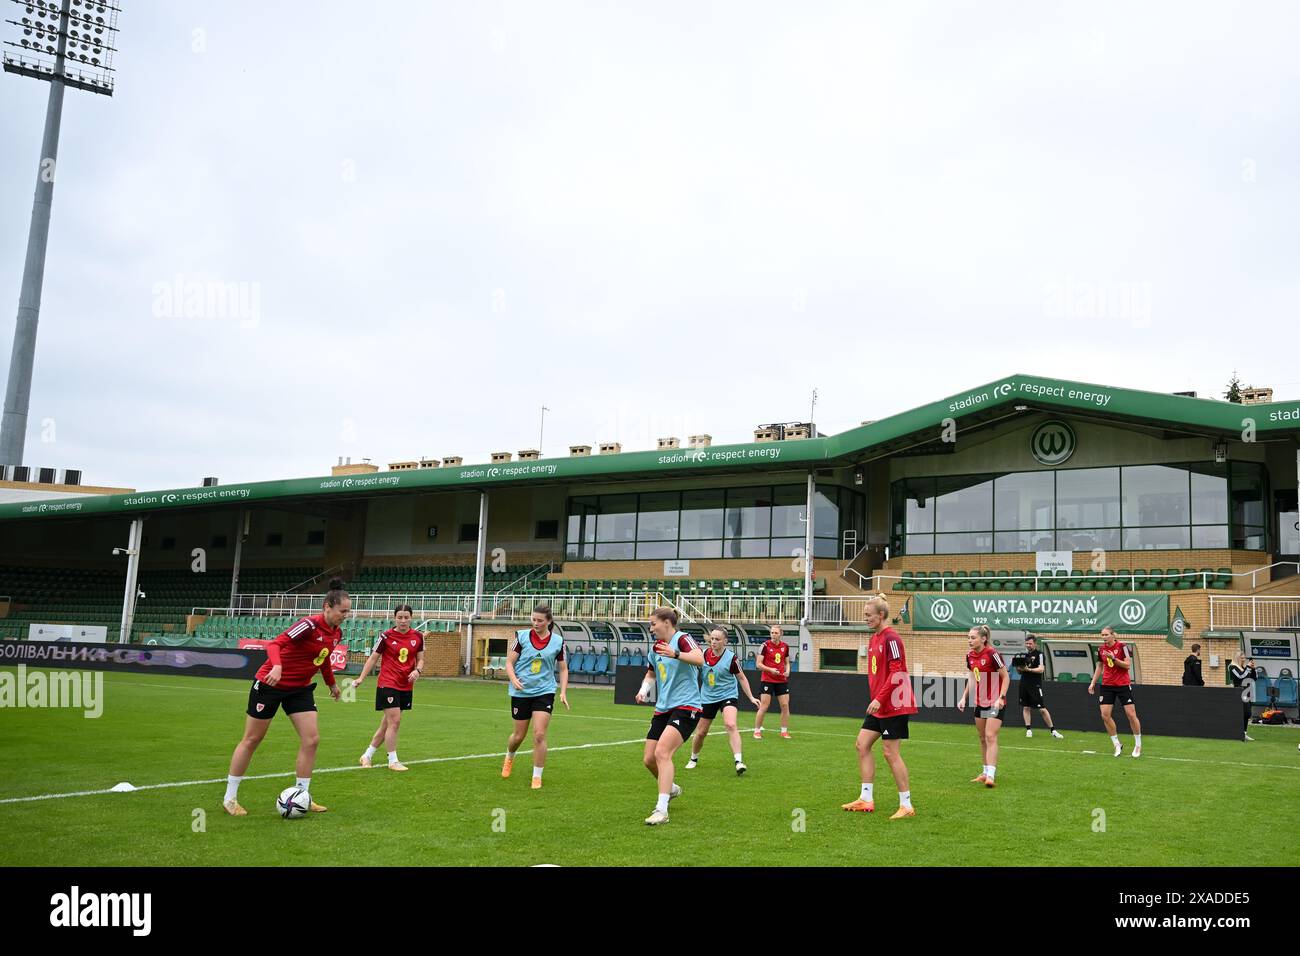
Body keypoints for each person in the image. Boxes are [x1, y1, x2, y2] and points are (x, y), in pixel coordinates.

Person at [223, 578, 349, 816]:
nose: (346, 615)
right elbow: (274, 645)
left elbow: (322, 660)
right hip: (270, 684)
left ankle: (303, 795)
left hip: (300, 689)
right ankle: (230, 798)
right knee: (252, 739)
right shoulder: (308, 625)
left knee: (311, 739)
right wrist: (277, 667)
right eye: (342, 611)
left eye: (347, 612)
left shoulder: (337, 633)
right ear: (327, 607)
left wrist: (332, 684)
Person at [841, 594, 917, 819]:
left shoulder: (891, 638)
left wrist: (879, 699)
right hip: (880, 705)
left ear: (881, 615)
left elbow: (898, 673)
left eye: (868, 615)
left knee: (890, 753)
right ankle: (866, 798)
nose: (865, 619)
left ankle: (907, 805)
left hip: (894, 703)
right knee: (862, 745)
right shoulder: (874, 639)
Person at [637, 607, 705, 825]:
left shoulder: (682, 639)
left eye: (653, 623)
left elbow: (699, 658)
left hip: (687, 706)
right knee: (649, 759)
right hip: (663, 708)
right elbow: (650, 673)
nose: (651, 628)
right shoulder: (655, 648)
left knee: (662, 752)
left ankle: (662, 810)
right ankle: (672, 788)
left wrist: (675, 653)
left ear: (667, 622)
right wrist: (644, 690)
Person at [502, 604, 569, 789]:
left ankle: (536, 776)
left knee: (539, 734)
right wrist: (514, 679)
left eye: (540, 620)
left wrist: (562, 691)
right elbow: (509, 662)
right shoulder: (521, 636)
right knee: (518, 736)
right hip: (521, 692)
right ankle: (509, 757)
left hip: (545, 691)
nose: (536, 623)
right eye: (533, 619)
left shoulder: (558, 641)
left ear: (549, 621)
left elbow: (563, 669)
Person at [353, 603, 424, 771]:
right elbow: (373, 658)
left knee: (387, 725)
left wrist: (418, 671)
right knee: (395, 721)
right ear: (394, 618)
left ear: (411, 618)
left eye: (406, 617)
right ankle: (392, 761)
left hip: (406, 684)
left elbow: (421, 659)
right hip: (388, 683)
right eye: (399, 617)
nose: (403, 621)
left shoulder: (418, 636)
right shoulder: (385, 636)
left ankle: (367, 755)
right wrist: (361, 678)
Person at [685, 626, 760, 775]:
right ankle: (693, 758)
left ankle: (739, 761)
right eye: (712, 639)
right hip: (707, 697)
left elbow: (742, 678)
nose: (713, 642)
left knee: (730, 724)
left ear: (725, 641)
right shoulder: (703, 655)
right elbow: (691, 672)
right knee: (701, 733)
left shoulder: (731, 658)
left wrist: (751, 697)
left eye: (717, 639)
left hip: (728, 695)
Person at [958, 624, 1009, 788]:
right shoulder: (970, 656)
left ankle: (991, 776)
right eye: (968, 638)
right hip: (980, 702)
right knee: (982, 738)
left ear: (983, 638)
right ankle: (985, 772)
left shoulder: (992, 654)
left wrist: (1001, 698)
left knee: (990, 736)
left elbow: (1006, 677)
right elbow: (972, 677)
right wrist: (964, 697)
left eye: (973, 638)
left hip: (995, 701)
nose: (969, 641)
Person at [1087, 625, 1143, 758]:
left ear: (1113, 635)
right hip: (1107, 685)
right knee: (1105, 715)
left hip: (1123, 685)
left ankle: (1138, 744)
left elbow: (1127, 665)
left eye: (1106, 635)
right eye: (1102, 635)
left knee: (1131, 714)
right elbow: (1099, 666)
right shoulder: (1101, 649)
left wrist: (1114, 659)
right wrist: (1093, 682)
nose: (1104, 637)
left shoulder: (1122, 647)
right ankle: (1116, 744)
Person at [1017, 635, 1063, 739]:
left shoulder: (1040, 655)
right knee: (1026, 707)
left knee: (1042, 709)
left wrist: (1028, 670)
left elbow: (1041, 669)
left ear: (1035, 644)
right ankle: (1028, 730)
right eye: (1027, 643)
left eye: (1030, 643)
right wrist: (1019, 668)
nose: (1028, 645)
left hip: (1035, 685)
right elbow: (1020, 671)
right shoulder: (1023, 655)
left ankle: (1053, 730)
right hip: (1024, 683)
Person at [753, 624, 792, 739]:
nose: (773, 635)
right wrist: (770, 670)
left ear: (781, 634)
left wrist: (788, 671)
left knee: (785, 705)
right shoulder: (764, 646)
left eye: (776, 633)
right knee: (764, 706)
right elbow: (758, 664)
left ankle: (784, 731)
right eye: (772, 633)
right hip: (767, 679)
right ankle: (757, 731)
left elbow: (787, 663)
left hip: (781, 680)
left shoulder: (785, 646)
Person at [1229, 654, 1256, 742]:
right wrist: (1248, 668)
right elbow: (1241, 676)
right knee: (1244, 713)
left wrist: (1253, 669)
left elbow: (1254, 678)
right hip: (1239, 691)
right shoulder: (1232, 667)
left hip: (1247, 691)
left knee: (1247, 714)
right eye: (1242, 658)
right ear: (1237, 658)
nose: (1244, 659)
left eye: (1244, 658)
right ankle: (1238, 733)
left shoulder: (1244, 667)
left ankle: (1244, 733)